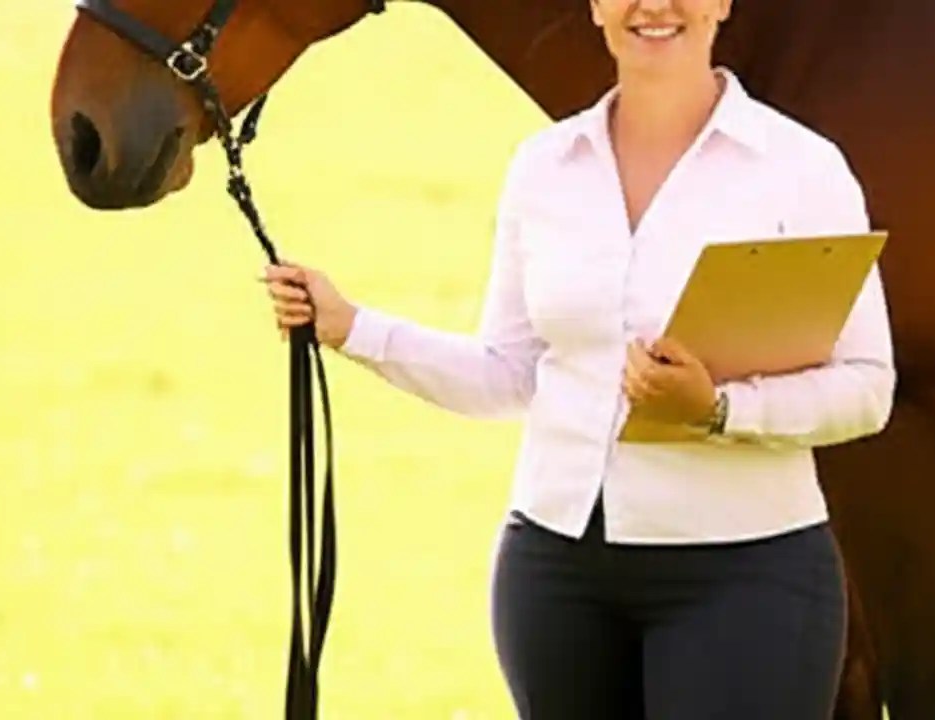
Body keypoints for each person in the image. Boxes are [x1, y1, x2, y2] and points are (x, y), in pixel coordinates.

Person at [262, 0, 895, 716]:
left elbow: (868, 388)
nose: (653, 5)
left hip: (746, 577)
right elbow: (509, 373)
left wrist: (718, 410)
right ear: (595, 5)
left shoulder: (800, 169)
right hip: (555, 576)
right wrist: (351, 327)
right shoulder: (544, 167)